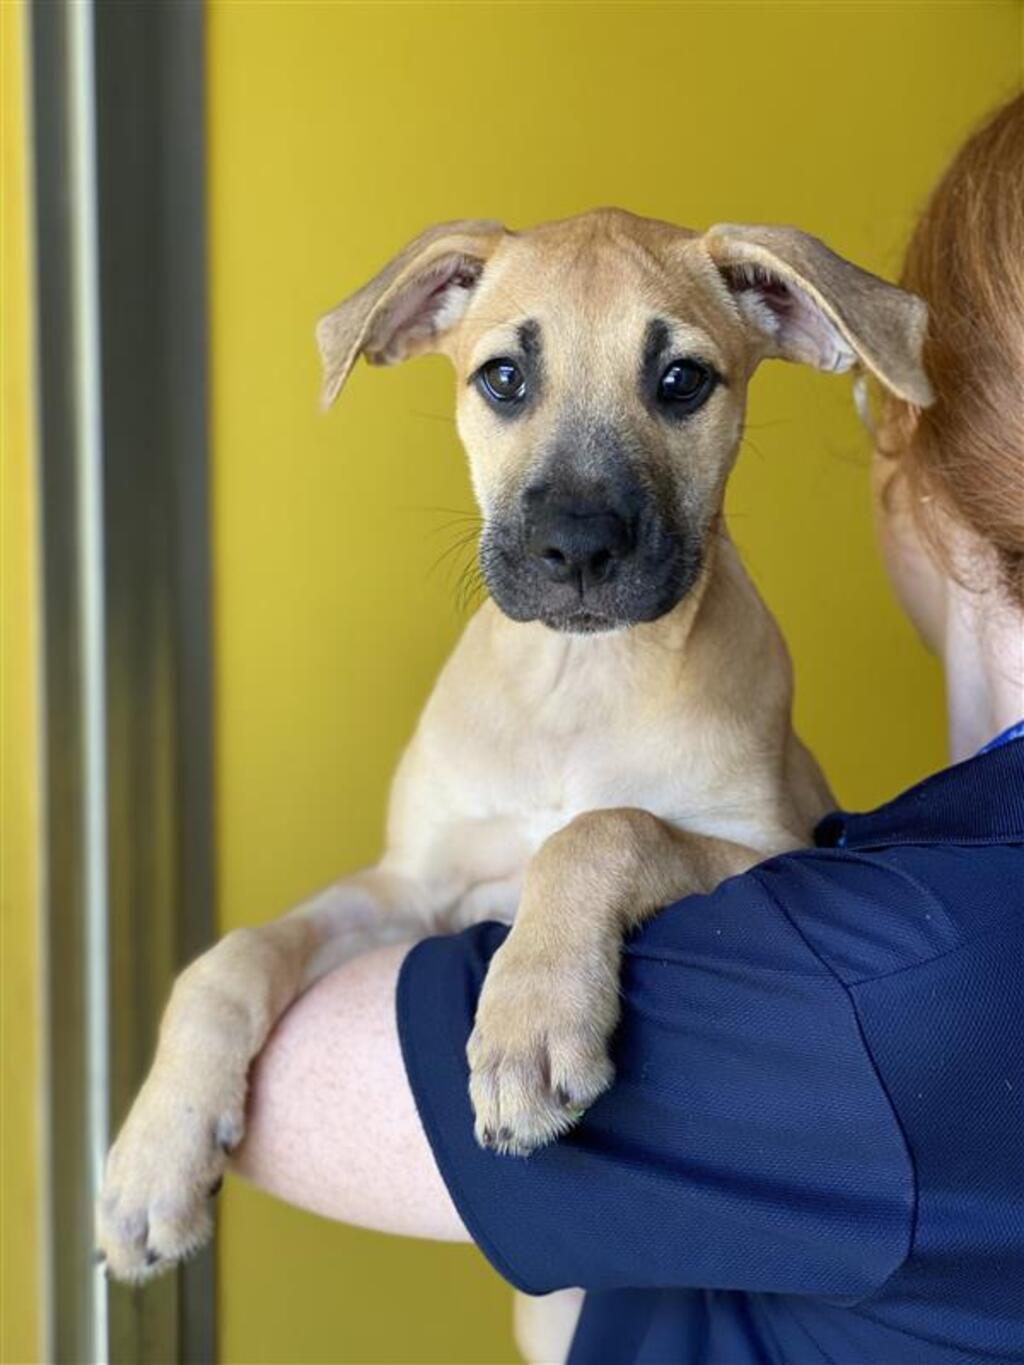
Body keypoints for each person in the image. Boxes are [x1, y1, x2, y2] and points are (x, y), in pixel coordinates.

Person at [235, 93, 1024, 1363]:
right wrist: (222, 989)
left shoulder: (898, 960)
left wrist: (595, 860)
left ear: (893, 424)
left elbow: (777, 905)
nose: (581, 509)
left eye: (675, 384)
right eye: (508, 380)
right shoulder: (939, 872)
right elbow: (396, 897)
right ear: (428, 330)